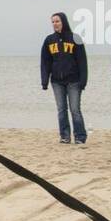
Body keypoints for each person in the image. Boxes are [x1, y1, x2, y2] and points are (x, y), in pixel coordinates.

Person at [40, 12, 88, 144]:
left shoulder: (75, 38)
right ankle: (65, 136)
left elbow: (82, 61)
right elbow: (45, 62)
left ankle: (80, 136)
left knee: (75, 109)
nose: (55, 24)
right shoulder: (49, 40)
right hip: (57, 81)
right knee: (61, 110)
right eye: (53, 22)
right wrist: (44, 81)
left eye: (57, 21)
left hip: (74, 80)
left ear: (64, 22)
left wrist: (83, 81)